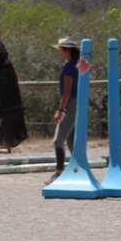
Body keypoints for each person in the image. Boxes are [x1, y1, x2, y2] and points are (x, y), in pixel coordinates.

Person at [47, 37, 80, 183]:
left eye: (60, 50)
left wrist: (60, 110)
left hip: (71, 104)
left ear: (66, 50)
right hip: (78, 104)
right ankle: (78, 170)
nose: (59, 53)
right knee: (72, 140)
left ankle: (59, 172)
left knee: (58, 140)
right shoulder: (78, 64)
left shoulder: (68, 67)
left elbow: (67, 92)